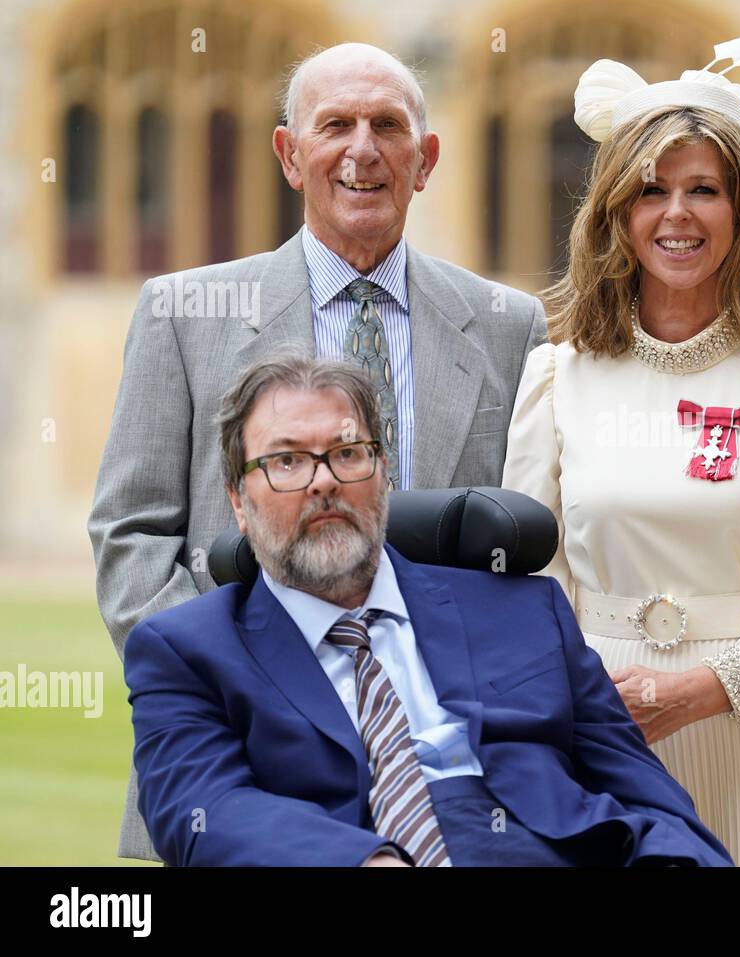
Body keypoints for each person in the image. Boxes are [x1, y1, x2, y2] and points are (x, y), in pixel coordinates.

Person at [88, 42, 546, 861]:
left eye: (388, 126)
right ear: (289, 155)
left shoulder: (509, 325)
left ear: (426, 159)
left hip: (449, 772)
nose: (362, 149)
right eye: (334, 124)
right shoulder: (183, 312)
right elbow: (132, 535)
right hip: (239, 762)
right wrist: (232, 688)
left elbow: (517, 548)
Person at [502, 38, 740, 866]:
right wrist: (582, 700)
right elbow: (530, 586)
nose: (676, 214)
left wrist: (706, 688)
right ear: (617, 212)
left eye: (704, 190)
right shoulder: (556, 376)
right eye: (651, 190)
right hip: (605, 736)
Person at [123, 352, 730, 867]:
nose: (323, 482)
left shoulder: (524, 610)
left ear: (382, 473)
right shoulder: (188, 650)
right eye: (286, 462)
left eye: (348, 453)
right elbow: (203, 811)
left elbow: (651, 801)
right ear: (237, 500)